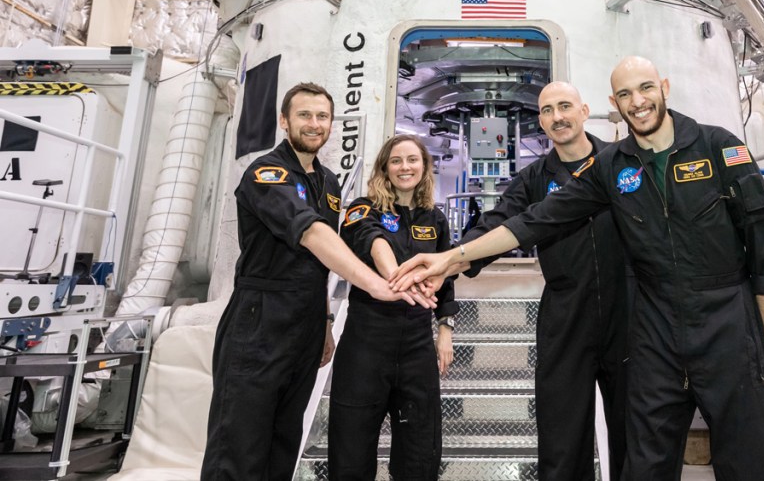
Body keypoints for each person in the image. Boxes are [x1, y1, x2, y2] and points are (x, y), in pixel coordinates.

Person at [392, 57, 764, 481]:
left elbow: (763, 243)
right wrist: (452, 258)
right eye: (625, 94)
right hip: (622, 325)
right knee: (638, 458)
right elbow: (530, 221)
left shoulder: (716, 147)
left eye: (645, 88)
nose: (637, 102)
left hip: (689, 318)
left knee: (741, 455)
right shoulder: (609, 167)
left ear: (664, 88)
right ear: (613, 103)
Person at [201, 83, 434, 481]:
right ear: (284, 121)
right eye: (305, 115)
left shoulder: (328, 182)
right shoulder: (265, 172)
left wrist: (325, 322)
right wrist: (376, 284)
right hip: (260, 319)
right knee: (238, 445)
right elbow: (310, 234)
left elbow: (319, 262)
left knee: (283, 438)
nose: (314, 124)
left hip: (307, 319)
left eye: (322, 116)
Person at [451, 81, 629, 481]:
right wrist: (455, 261)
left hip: (630, 314)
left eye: (565, 106)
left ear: (585, 111)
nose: (557, 117)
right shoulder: (535, 177)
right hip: (567, 315)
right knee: (562, 437)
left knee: (636, 436)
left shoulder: (621, 162)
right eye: (547, 111)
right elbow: (500, 221)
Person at [328, 134, 459, 481]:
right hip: (366, 345)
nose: (405, 167)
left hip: (416, 345)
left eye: (412, 160)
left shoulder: (435, 218)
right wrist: (400, 279)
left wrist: (444, 327)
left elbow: (445, 276)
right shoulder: (362, 206)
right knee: (351, 453)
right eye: (397, 160)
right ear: (384, 168)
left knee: (420, 454)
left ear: (424, 167)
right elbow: (373, 240)